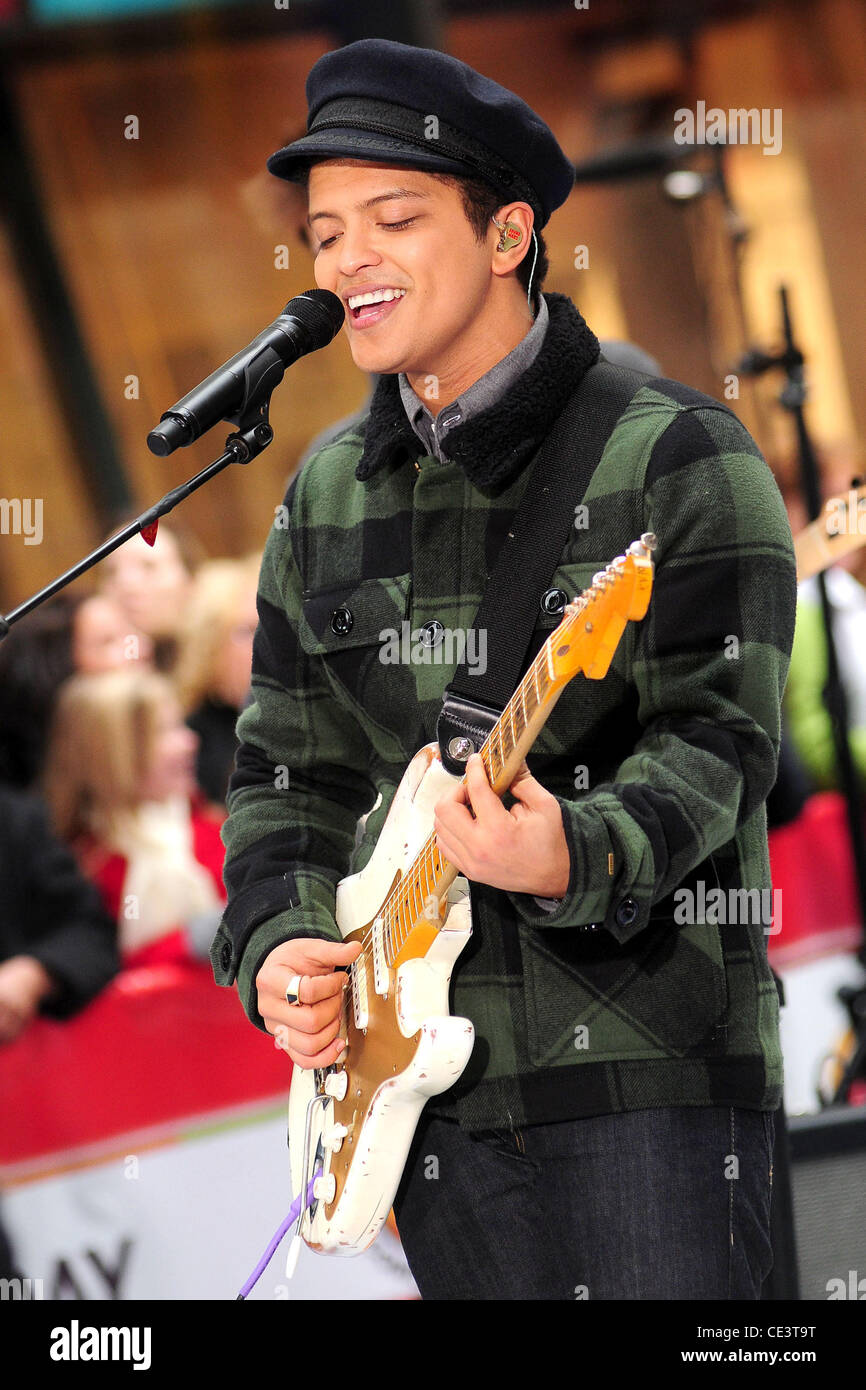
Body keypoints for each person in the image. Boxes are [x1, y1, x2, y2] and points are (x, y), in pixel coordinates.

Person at [210, 38, 797, 1300]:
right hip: (424, 1106)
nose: (346, 259)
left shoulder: (679, 456)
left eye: (392, 217)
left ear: (506, 233)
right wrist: (280, 940)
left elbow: (721, 744)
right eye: (323, 235)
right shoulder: (318, 495)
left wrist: (575, 852)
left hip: (648, 1078)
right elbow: (281, 773)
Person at [45, 669, 225, 968]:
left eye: (180, 725)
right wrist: (193, 940)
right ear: (111, 753)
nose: (189, 742)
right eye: (164, 732)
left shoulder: (211, 828)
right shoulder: (86, 865)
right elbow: (98, 968)